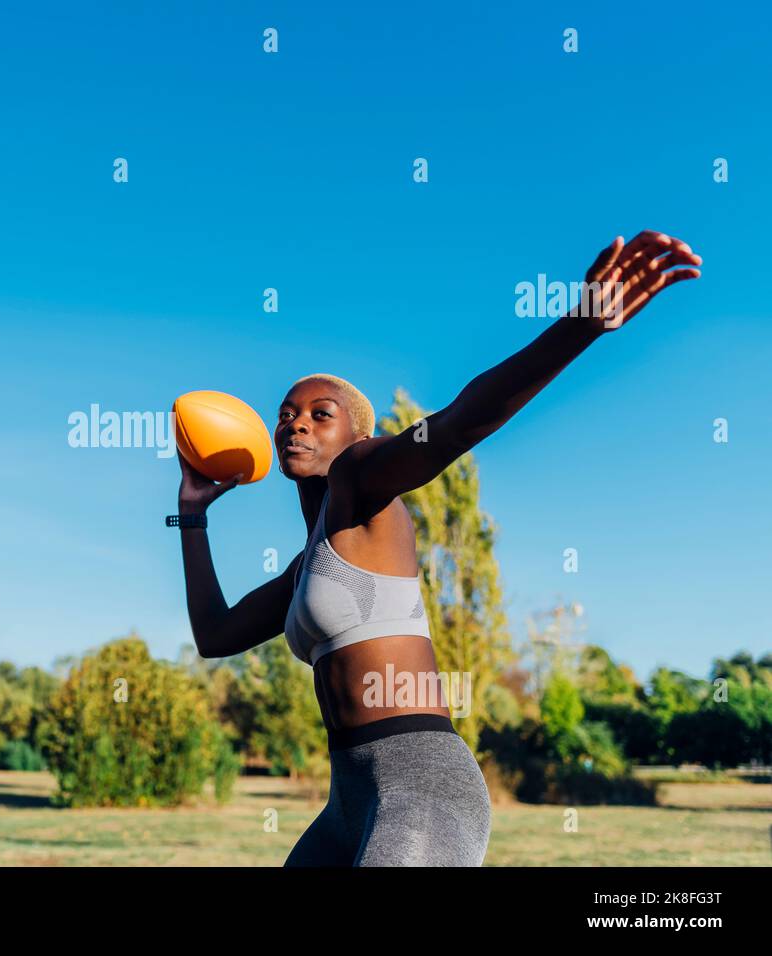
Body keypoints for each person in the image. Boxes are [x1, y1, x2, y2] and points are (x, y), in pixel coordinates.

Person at [173, 231, 701, 865]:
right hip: (347, 799)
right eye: (287, 413)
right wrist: (192, 516)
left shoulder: (360, 477)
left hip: (420, 785)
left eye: (320, 414)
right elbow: (216, 634)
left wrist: (578, 326)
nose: (295, 423)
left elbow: (457, 421)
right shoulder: (306, 566)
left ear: (358, 436)